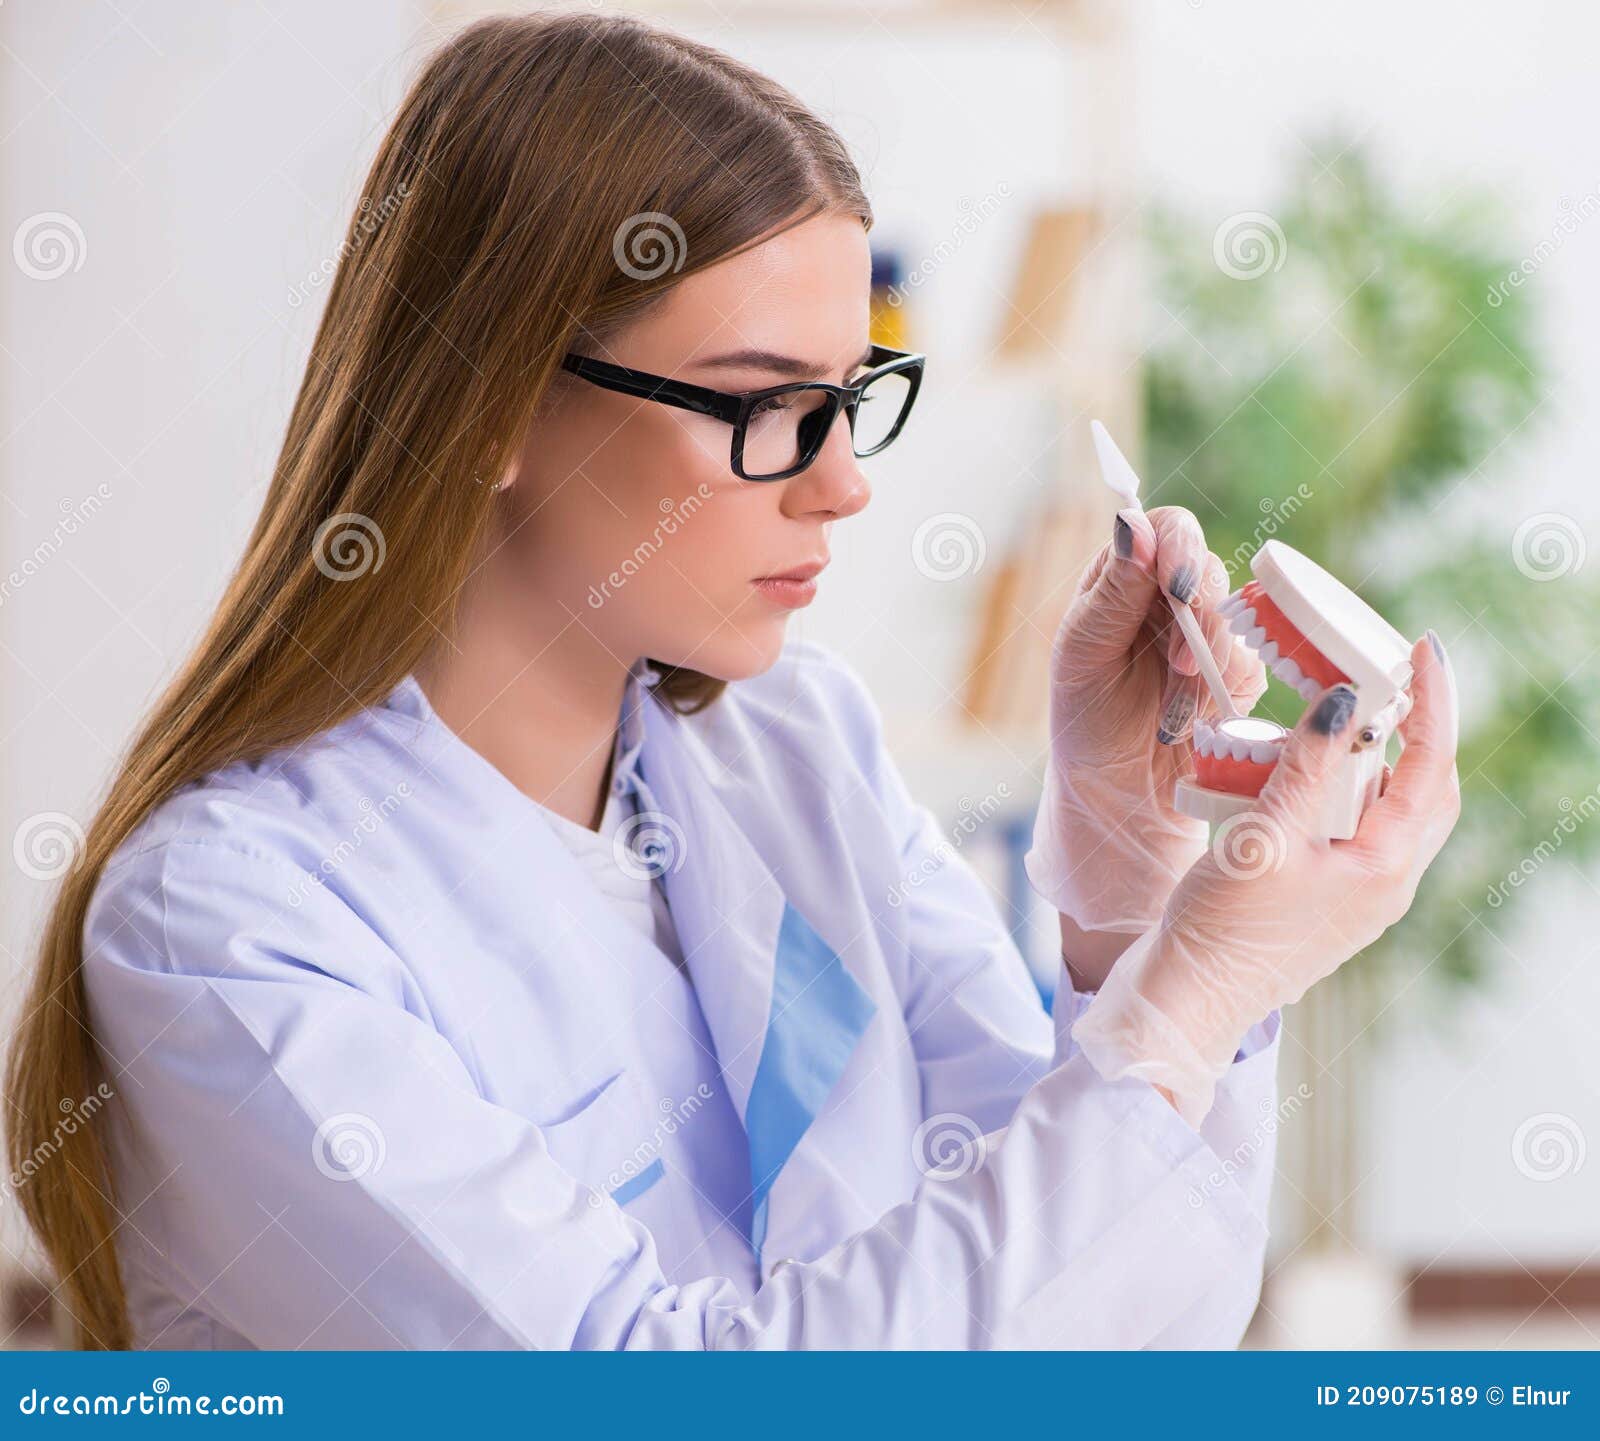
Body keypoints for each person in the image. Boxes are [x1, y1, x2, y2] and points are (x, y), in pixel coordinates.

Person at [4, 12, 1459, 1351]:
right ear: (493, 397)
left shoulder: (793, 745)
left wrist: (1130, 895)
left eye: (848, 401)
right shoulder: (231, 929)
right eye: (766, 406)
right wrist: (1188, 1000)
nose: (840, 488)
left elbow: (1115, 1309)